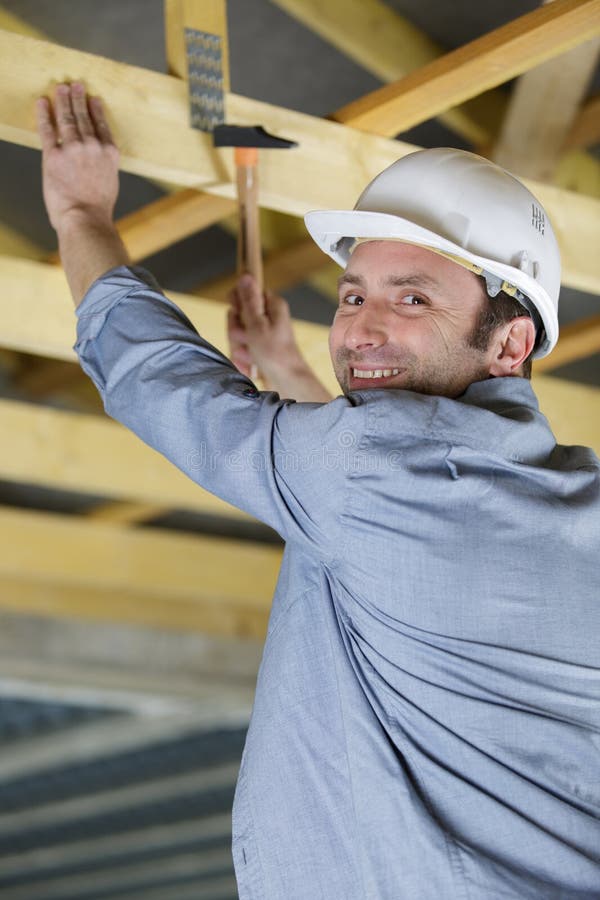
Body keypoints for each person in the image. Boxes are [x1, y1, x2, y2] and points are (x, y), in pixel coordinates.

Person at [36, 83, 600, 900]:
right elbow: (388, 503)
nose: (361, 329)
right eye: (352, 296)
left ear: (511, 340)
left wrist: (81, 217)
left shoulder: (365, 474)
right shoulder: (577, 501)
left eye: (412, 298)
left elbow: (161, 383)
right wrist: (297, 382)